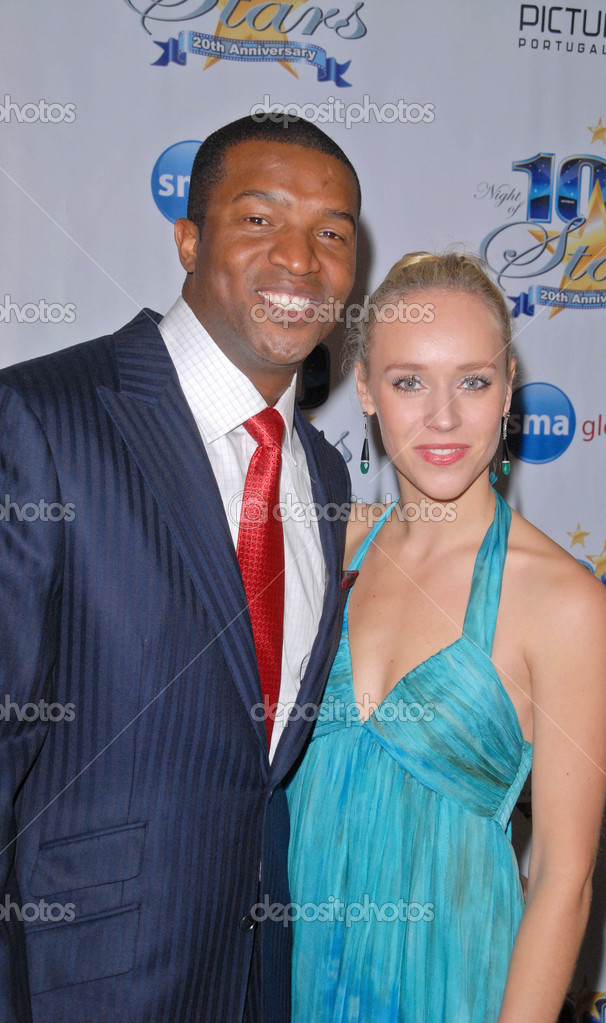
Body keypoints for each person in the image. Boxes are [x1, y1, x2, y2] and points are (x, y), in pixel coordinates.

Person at [0, 114, 359, 1022]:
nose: (299, 258)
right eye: (258, 219)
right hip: (76, 975)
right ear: (188, 239)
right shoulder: (42, 417)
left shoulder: (323, 473)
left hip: (256, 976)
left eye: (331, 233)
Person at [286, 251, 606, 1021]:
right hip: (296, 976)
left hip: (457, 984)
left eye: (472, 380)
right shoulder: (329, 549)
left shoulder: (561, 601)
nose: (442, 417)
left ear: (507, 388)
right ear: (365, 388)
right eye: (408, 381)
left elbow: (564, 880)